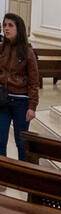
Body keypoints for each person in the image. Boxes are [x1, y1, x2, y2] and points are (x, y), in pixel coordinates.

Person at [0, 14, 39, 159]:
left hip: (21, 103)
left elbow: (34, 82)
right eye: (5, 25)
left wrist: (32, 106)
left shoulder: (27, 52)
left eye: (10, 25)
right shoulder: (1, 49)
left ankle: (22, 175)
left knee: (21, 143)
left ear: (19, 28)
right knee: (0, 140)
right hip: (2, 101)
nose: (6, 28)